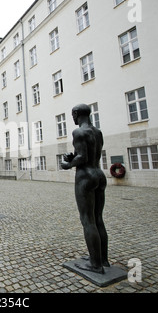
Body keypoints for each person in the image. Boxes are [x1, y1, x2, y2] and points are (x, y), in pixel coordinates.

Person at [61, 104, 109, 274]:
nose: (72, 118)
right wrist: (74, 157)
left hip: (85, 177)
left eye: (72, 115)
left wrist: (67, 164)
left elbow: (83, 157)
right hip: (99, 174)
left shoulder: (78, 132)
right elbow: (89, 154)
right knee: (98, 219)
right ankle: (102, 259)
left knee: (87, 220)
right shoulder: (97, 132)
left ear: (75, 114)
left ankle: (95, 265)